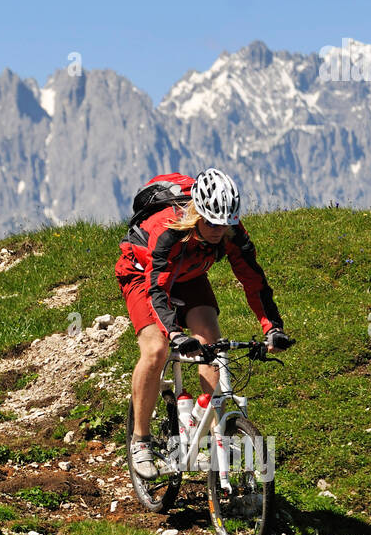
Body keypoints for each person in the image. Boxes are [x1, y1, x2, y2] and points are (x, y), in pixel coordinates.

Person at [115, 168, 292, 479]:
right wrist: (175, 333)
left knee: (212, 341)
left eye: (224, 224)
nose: (216, 230)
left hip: (189, 274)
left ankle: (212, 432)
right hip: (143, 274)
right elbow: (158, 290)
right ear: (197, 211)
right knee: (156, 349)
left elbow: (254, 282)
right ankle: (141, 441)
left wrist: (272, 327)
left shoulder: (233, 234)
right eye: (210, 222)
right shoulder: (167, 231)